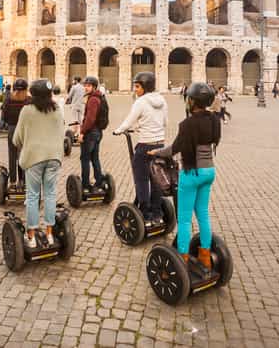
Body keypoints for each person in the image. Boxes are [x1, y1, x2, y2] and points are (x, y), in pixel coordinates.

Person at [148, 82, 220, 271]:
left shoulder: (187, 124)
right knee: (203, 214)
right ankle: (205, 255)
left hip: (191, 172)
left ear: (193, 101)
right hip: (209, 171)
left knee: (185, 218)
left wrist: (157, 152)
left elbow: (175, 149)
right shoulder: (214, 120)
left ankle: (182, 256)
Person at [12, 79, 65, 248]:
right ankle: (50, 234)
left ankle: (32, 236)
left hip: (34, 157)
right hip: (54, 157)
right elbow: (61, 132)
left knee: (33, 196)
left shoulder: (27, 110)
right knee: (50, 195)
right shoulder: (57, 109)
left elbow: (17, 138)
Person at [113, 72, 167, 226]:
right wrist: (142, 126)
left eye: (137, 86)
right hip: (160, 145)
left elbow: (129, 121)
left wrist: (118, 130)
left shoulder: (141, 102)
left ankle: (146, 214)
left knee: (141, 180)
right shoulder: (162, 100)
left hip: (145, 146)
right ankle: (158, 214)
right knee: (156, 180)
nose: (135, 89)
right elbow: (164, 122)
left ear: (145, 86)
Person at [79, 76, 106, 193]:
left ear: (94, 87)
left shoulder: (93, 99)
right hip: (98, 132)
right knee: (94, 158)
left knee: (85, 159)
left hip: (91, 133)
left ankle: (85, 185)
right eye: (85, 85)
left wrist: (82, 132)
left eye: (88, 85)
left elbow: (90, 119)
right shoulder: (99, 97)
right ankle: (99, 183)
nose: (86, 87)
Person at [2, 79, 31, 186]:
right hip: (25, 131)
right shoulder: (28, 100)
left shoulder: (8, 99)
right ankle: (23, 180)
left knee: (12, 155)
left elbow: (4, 116)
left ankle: (13, 181)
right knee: (24, 155)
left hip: (12, 129)